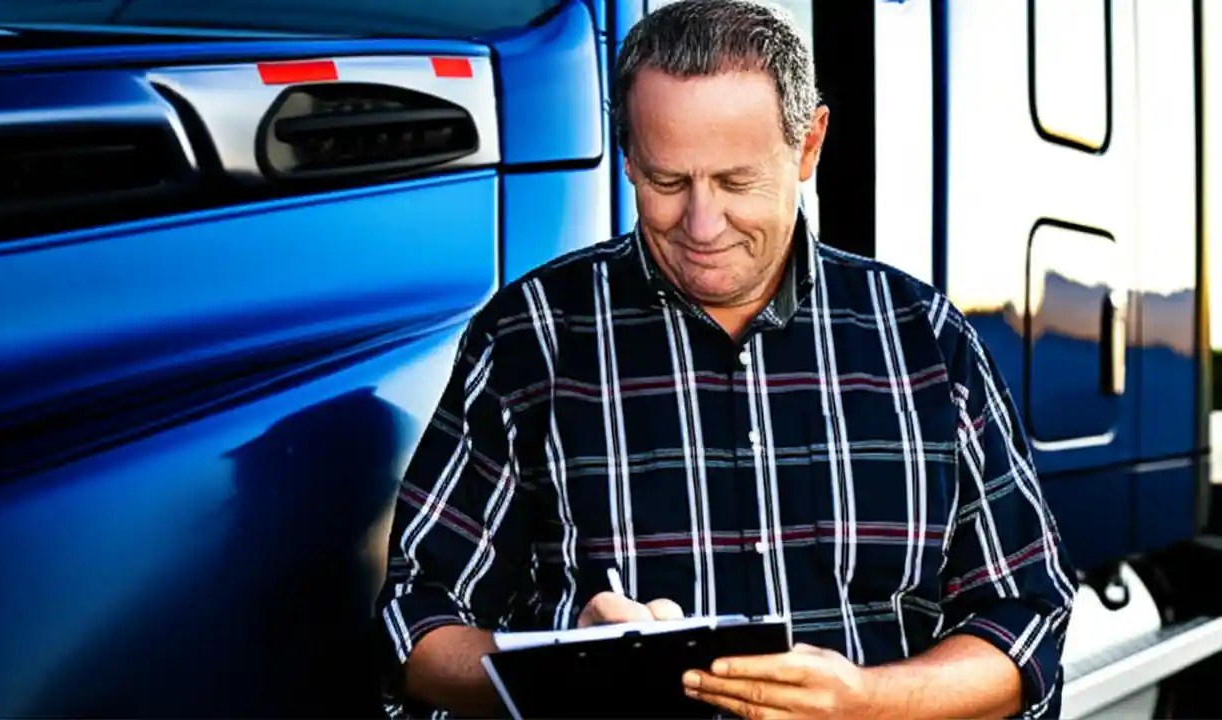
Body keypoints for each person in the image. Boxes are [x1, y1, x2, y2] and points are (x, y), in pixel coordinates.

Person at [372, 0, 1077, 717]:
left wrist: (868, 701)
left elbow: (1026, 624)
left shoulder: (925, 341)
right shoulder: (530, 338)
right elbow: (415, 628)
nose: (702, 225)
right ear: (627, 157)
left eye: (737, 182)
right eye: (666, 182)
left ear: (809, 146)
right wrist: (562, 669)